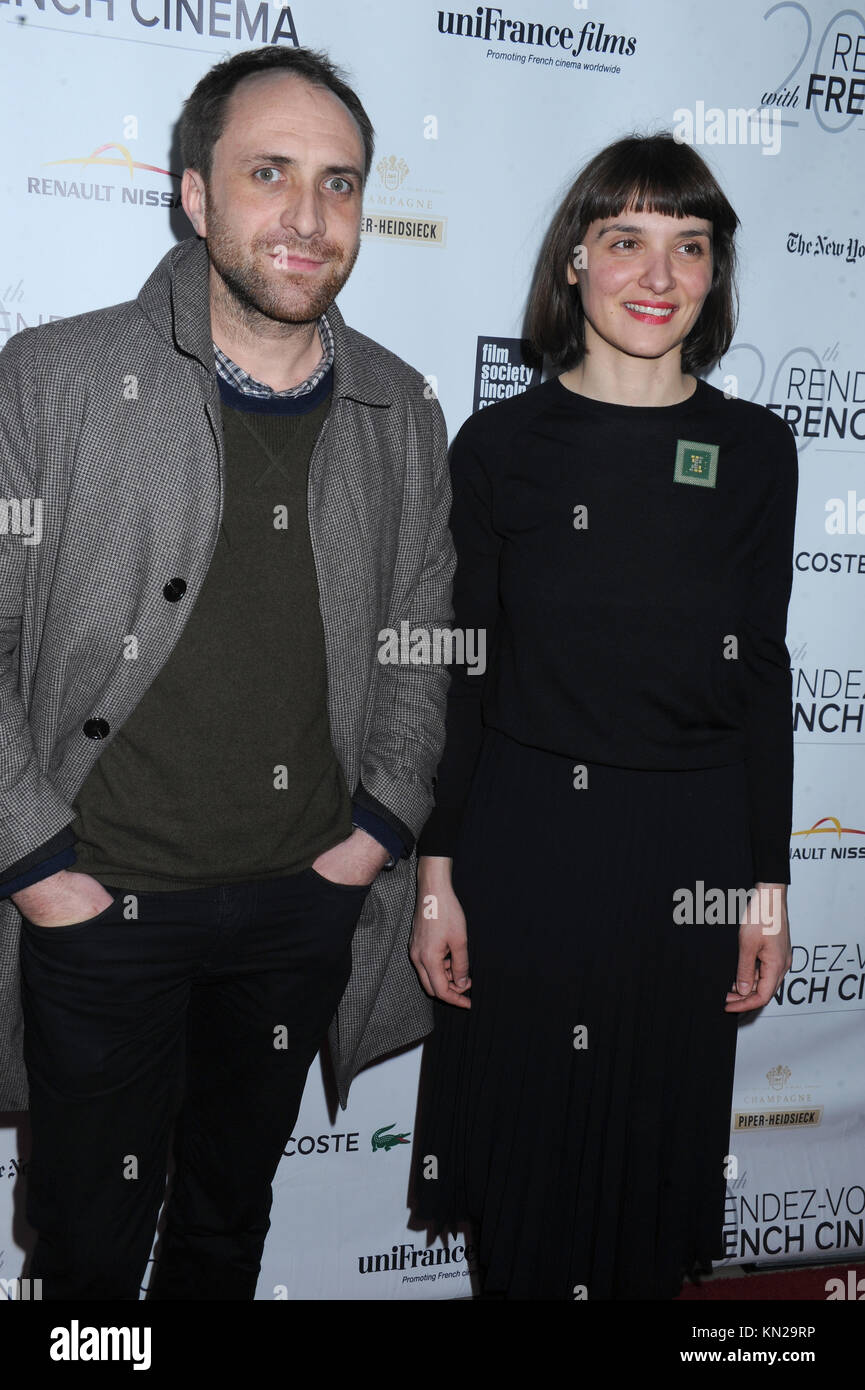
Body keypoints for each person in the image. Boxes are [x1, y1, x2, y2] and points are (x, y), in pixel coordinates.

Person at [0, 45, 454, 1300]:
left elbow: (423, 638)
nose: (309, 217)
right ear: (195, 194)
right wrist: (39, 868)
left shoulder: (401, 409)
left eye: (340, 182)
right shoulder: (56, 379)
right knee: (89, 1252)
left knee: (224, 1227)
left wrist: (370, 834)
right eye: (270, 174)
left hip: (298, 904)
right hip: (100, 907)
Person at [409, 132, 797, 1301]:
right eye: (625, 240)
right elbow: (464, 674)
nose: (658, 274)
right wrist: (438, 874)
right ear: (573, 261)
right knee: (524, 1185)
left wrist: (764, 883)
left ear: (715, 275)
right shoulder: (500, 447)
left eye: (690, 246)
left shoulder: (753, 451)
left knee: (644, 1182)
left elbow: (760, 675)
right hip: (528, 847)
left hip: (686, 857)